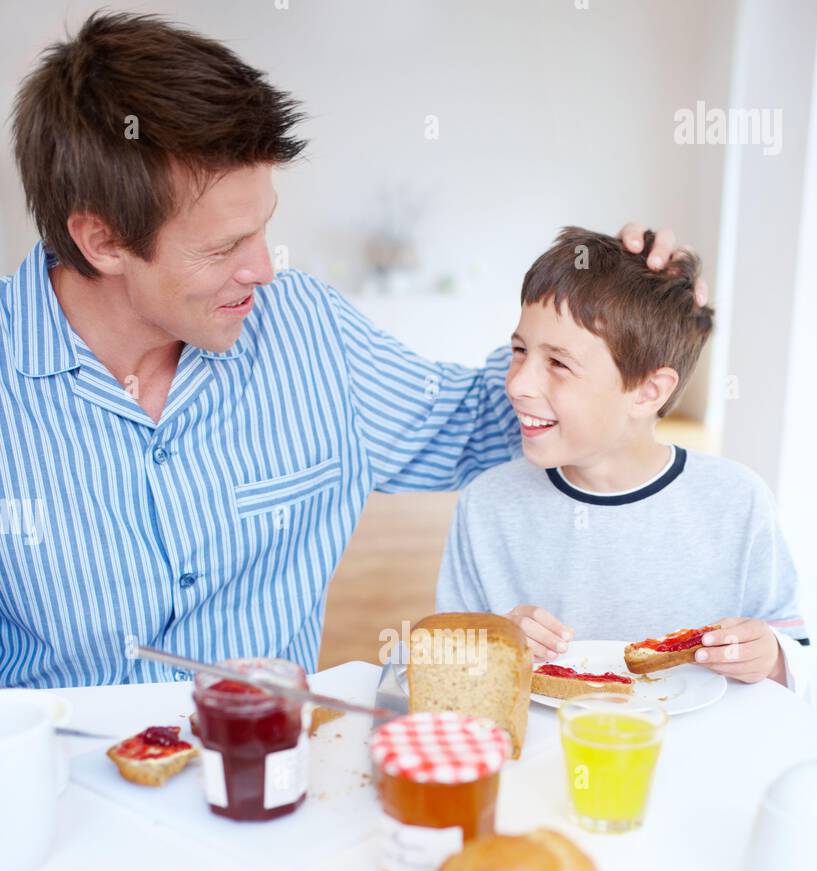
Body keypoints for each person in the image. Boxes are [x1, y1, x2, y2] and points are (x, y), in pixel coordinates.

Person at [0, 11, 699, 688]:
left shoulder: (305, 329)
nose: (263, 270)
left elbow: (470, 422)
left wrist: (619, 318)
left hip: (269, 773)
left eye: (260, 229)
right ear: (102, 241)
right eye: (222, 248)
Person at [436, 227, 809, 691]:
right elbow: (448, 669)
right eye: (519, 351)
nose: (517, 384)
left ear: (648, 391)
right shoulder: (485, 505)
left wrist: (770, 657)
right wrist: (493, 647)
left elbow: (792, 651)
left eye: (558, 364)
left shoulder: (737, 500)